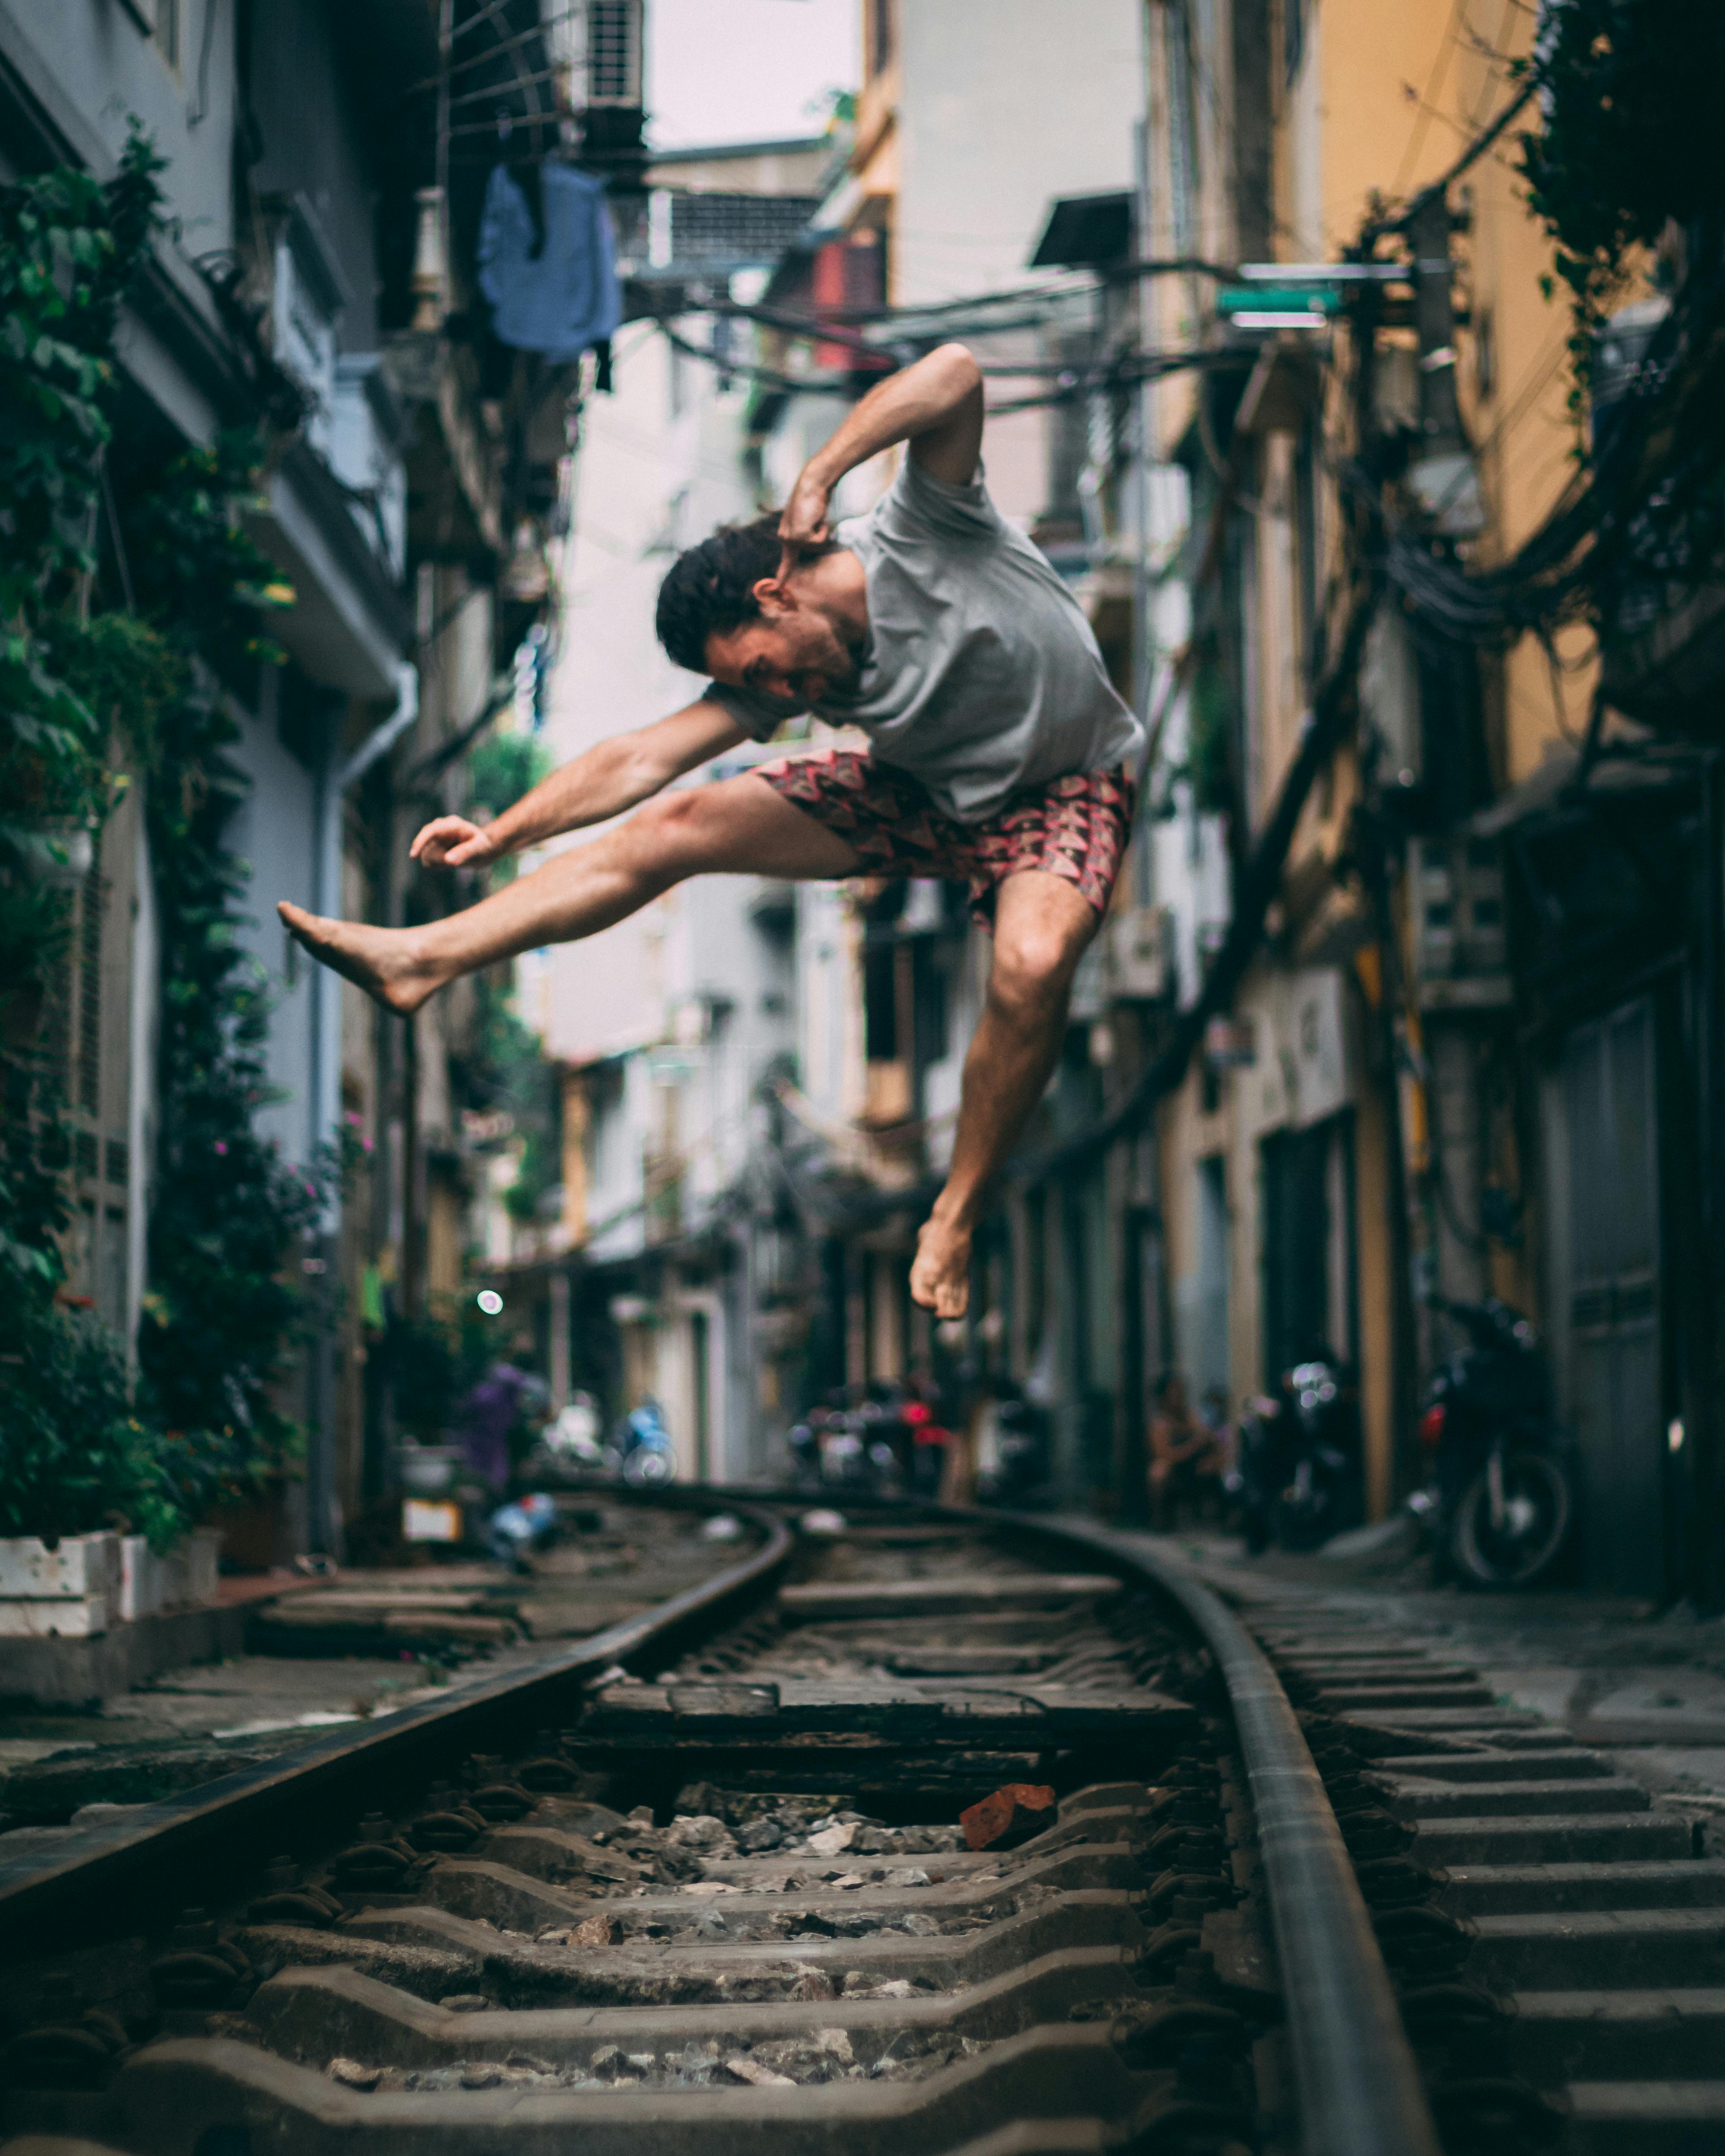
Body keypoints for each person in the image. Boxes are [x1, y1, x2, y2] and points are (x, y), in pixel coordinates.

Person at [279, 343, 1143, 1318]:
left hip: (1062, 784)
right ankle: (423, 960)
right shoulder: (780, 671)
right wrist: (502, 832)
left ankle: (952, 1216)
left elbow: (953, 372)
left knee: (1030, 964)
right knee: (681, 817)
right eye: (758, 690)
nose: (780, 696)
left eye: (768, 669)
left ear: (776, 593)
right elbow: (641, 759)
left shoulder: (921, 527)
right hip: (930, 794)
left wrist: (818, 474)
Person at [1148, 1371, 1225, 1529]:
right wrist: (1194, 1445)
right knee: (1159, 1471)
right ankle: (1162, 1519)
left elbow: (1209, 1438)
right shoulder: (1160, 1424)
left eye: (1181, 1390)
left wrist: (1214, 1458)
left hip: (1196, 1467)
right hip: (1177, 1469)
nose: (1179, 1394)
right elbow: (1166, 1455)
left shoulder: (1191, 1417)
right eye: (1174, 1390)